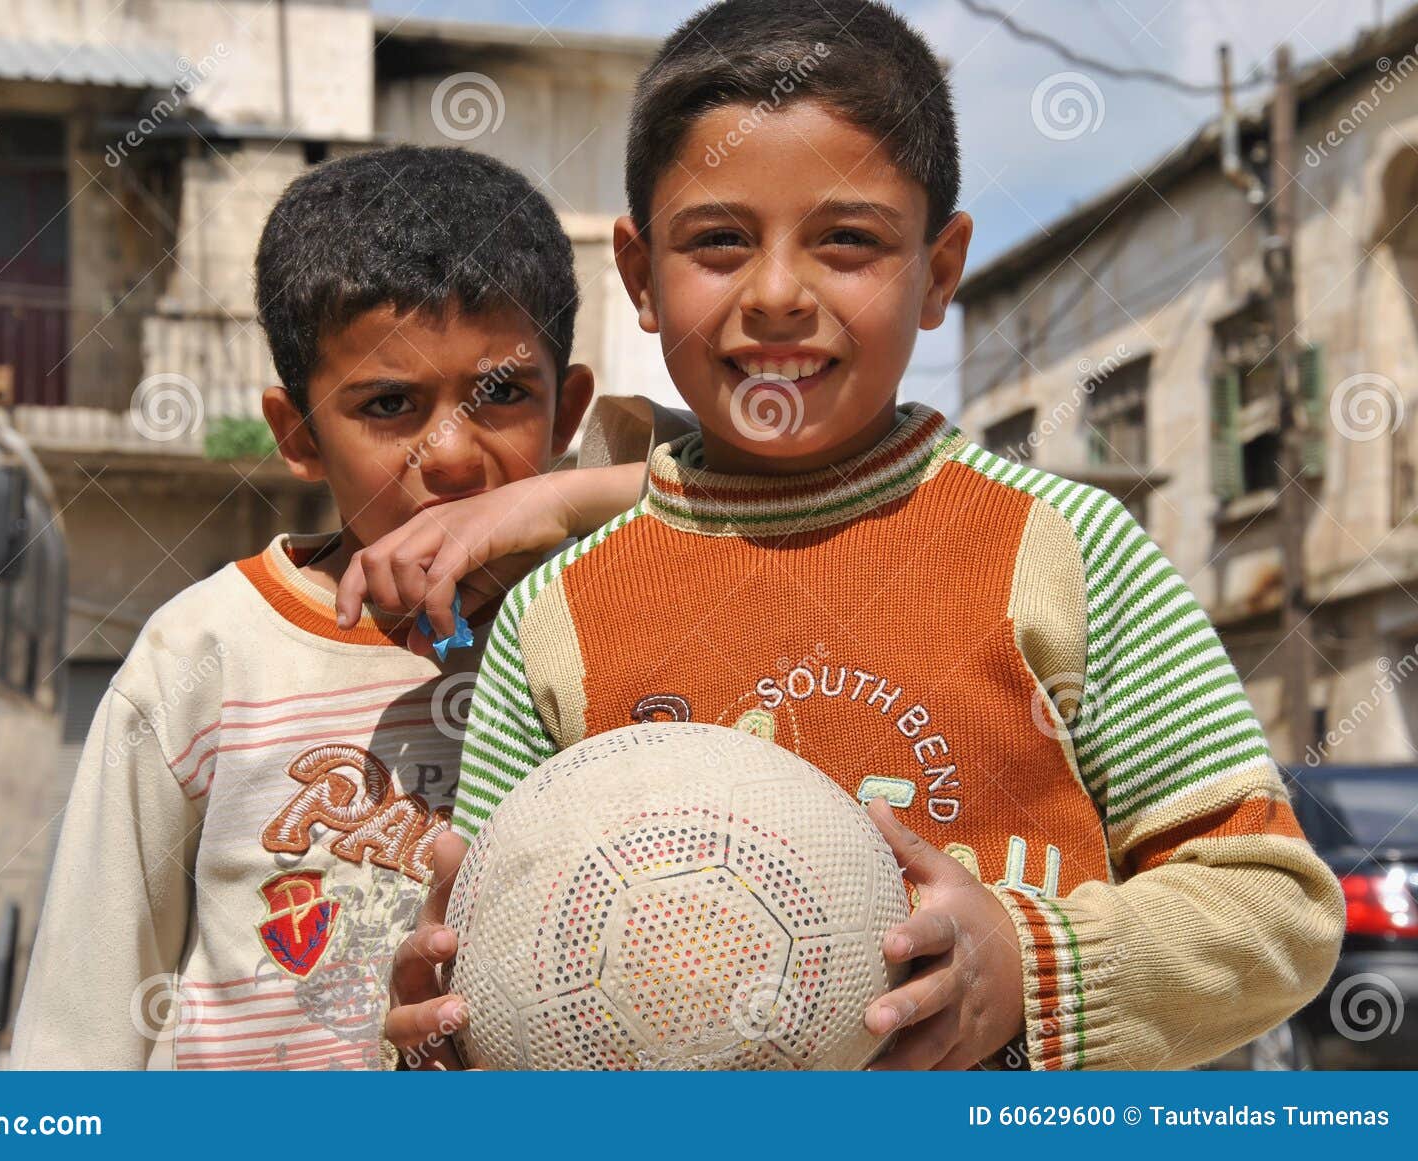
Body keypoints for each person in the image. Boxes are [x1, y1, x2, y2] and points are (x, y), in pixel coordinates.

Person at [386, 0, 1345, 1072]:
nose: (779, 295)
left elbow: (1271, 907)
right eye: (717, 243)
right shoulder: (553, 616)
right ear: (642, 277)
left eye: (848, 241)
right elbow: (490, 940)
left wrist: (1029, 971)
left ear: (937, 272)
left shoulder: (1062, 548)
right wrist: (449, 1033)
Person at [10, 146, 689, 1069]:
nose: (450, 456)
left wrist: (556, 501)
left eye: (502, 395)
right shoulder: (206, 654)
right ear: (298, 434)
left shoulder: (606, 616)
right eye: (389, 404)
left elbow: (766, 489)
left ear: (568, 411)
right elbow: (78, 1028)